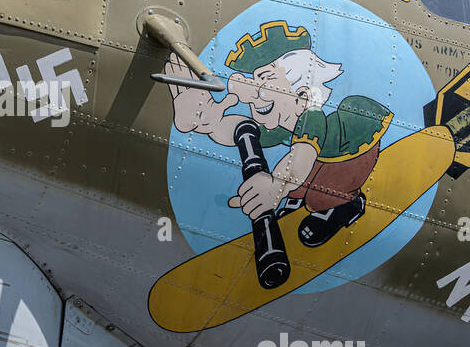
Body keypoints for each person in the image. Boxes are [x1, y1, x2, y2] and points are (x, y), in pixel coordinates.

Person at [167, 20, 393, 248]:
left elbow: (302, 156)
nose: (251, 93)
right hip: (317, 158)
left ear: (302, 96)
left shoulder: (311, 116)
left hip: (351, 152)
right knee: (299, 181)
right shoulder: (279, 125)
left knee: (320, 192)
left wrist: (276, 185)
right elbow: (243, 130)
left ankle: (346, 205)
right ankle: (300, 197)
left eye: (265, 79)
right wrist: (207, 122)